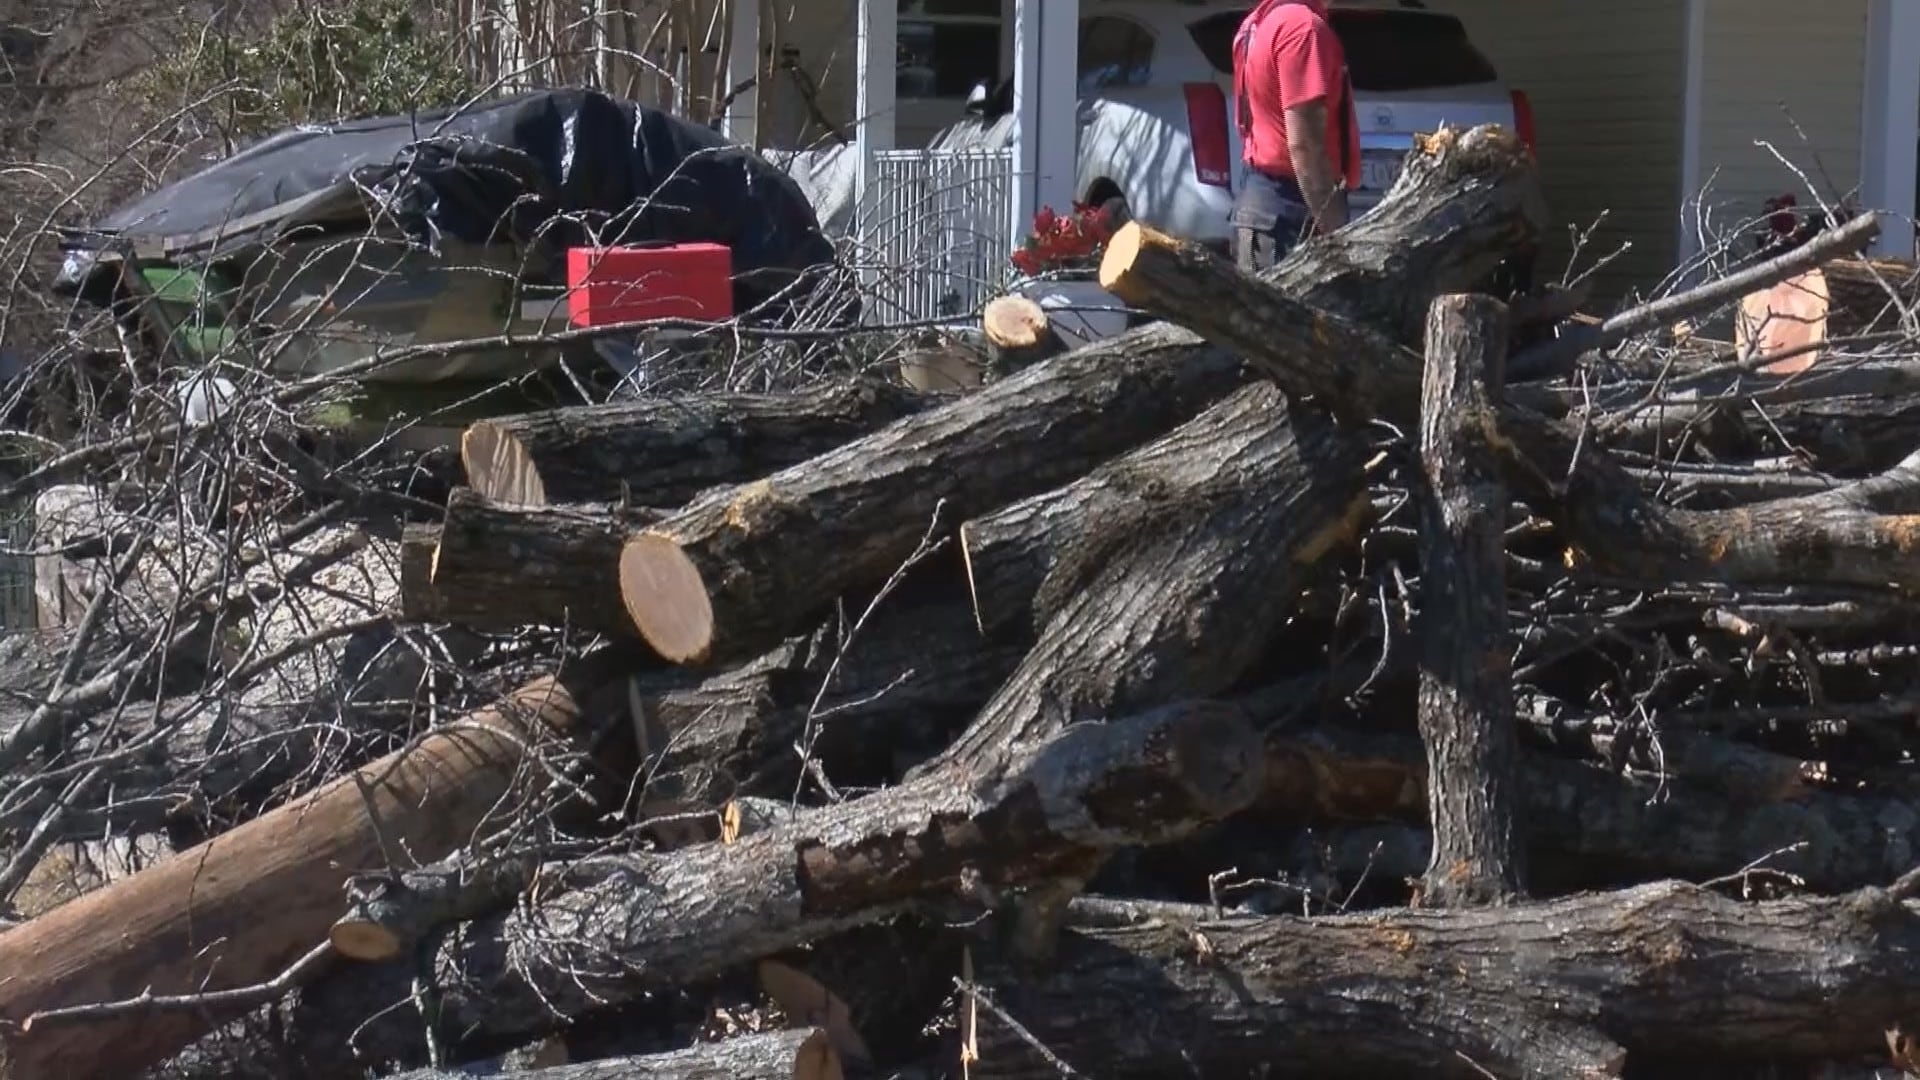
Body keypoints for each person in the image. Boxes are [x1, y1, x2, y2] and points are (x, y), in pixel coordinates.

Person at [1229, 0, 1362, 271]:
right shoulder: (1302, 27)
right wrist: (1340, 238)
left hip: (1261, 211)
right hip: (1291, 219)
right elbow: (1305, 147)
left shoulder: (1257, 24)